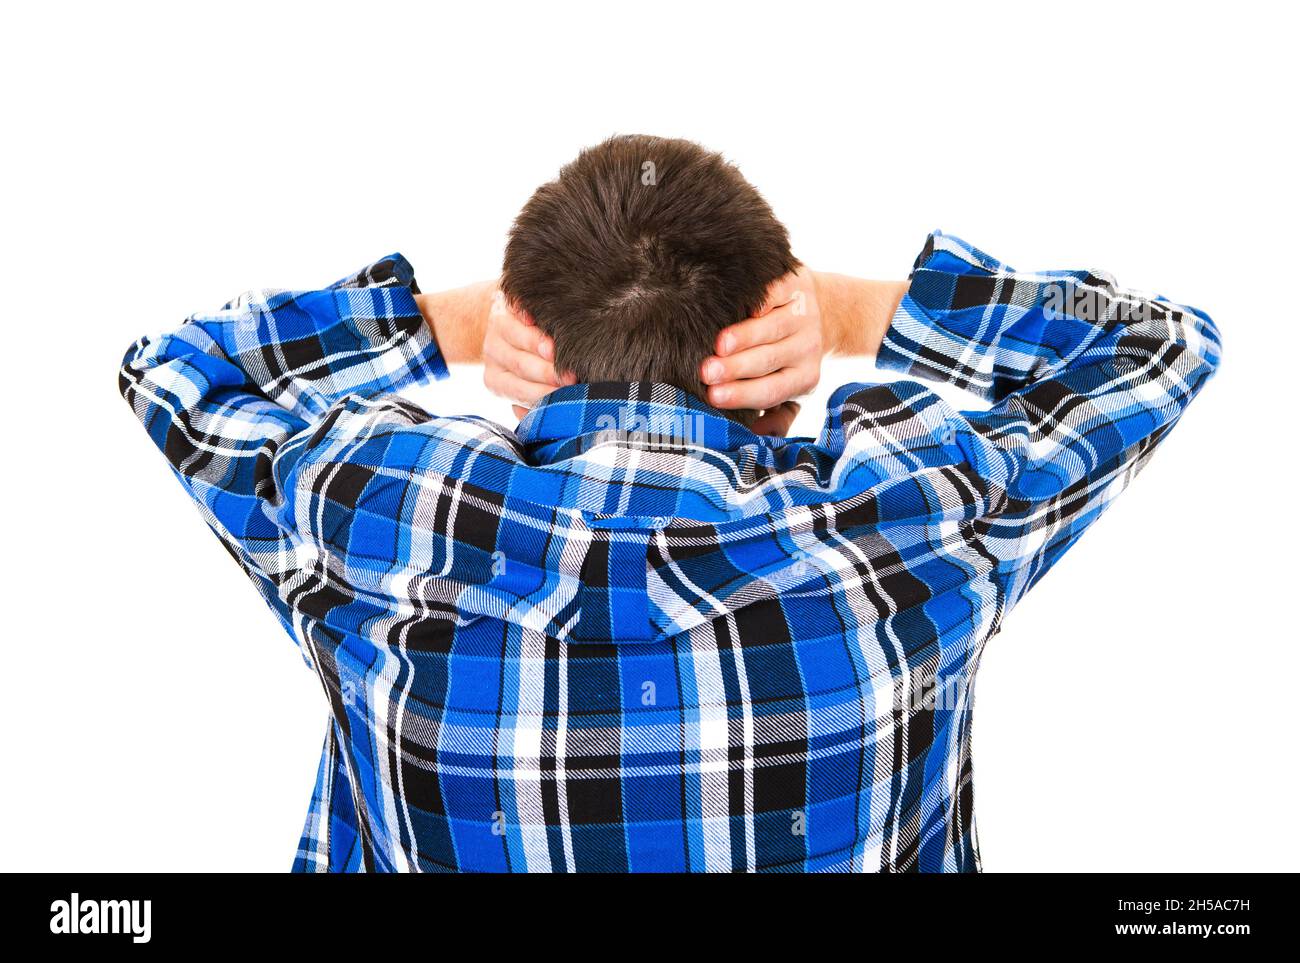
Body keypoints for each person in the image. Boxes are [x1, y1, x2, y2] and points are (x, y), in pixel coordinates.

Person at [118, 134, 1221, 872]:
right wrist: (849, 312)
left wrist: (441, 325)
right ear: (768, 372)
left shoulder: (374, 507)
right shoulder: (916, 518)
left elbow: (172, 367)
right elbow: (1159, 344)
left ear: (535, 348)